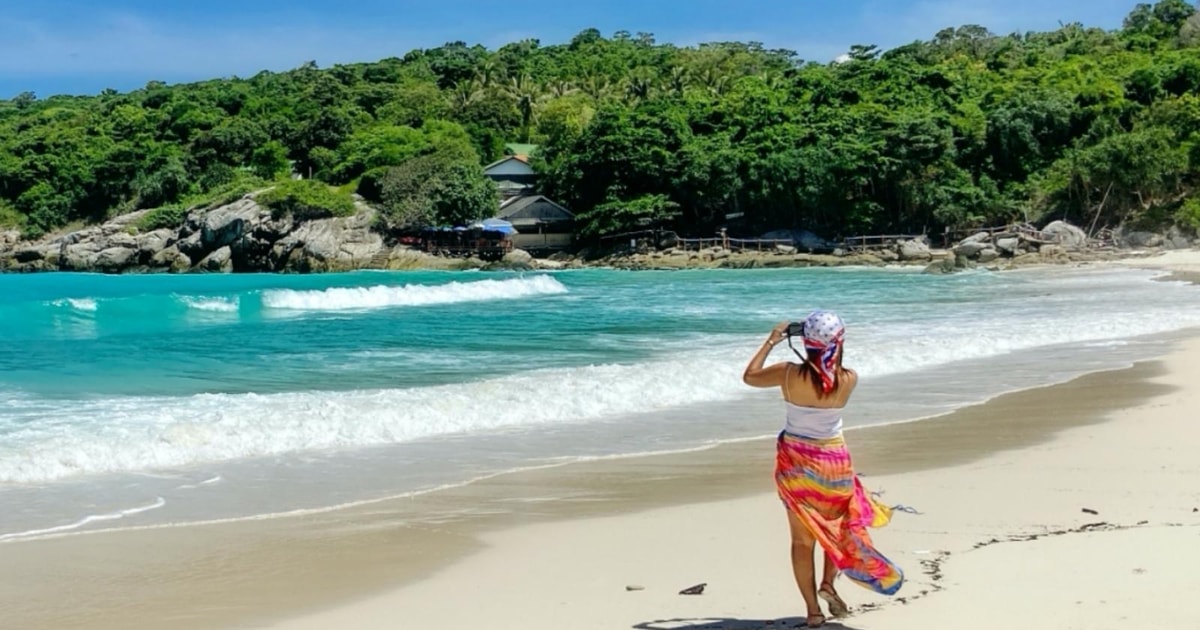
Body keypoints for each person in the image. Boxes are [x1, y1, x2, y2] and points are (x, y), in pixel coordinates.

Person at [742, 310, 903, 628]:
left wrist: (772, 340)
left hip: (798, 466)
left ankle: (813, 611)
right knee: (837, 528)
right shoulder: (849, 378)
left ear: (805, 341)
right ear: (839, 342)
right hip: (835, 464)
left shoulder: (788, 374)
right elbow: (825, 373)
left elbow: (750, 376)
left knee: (803, 542)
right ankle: (829, 583)